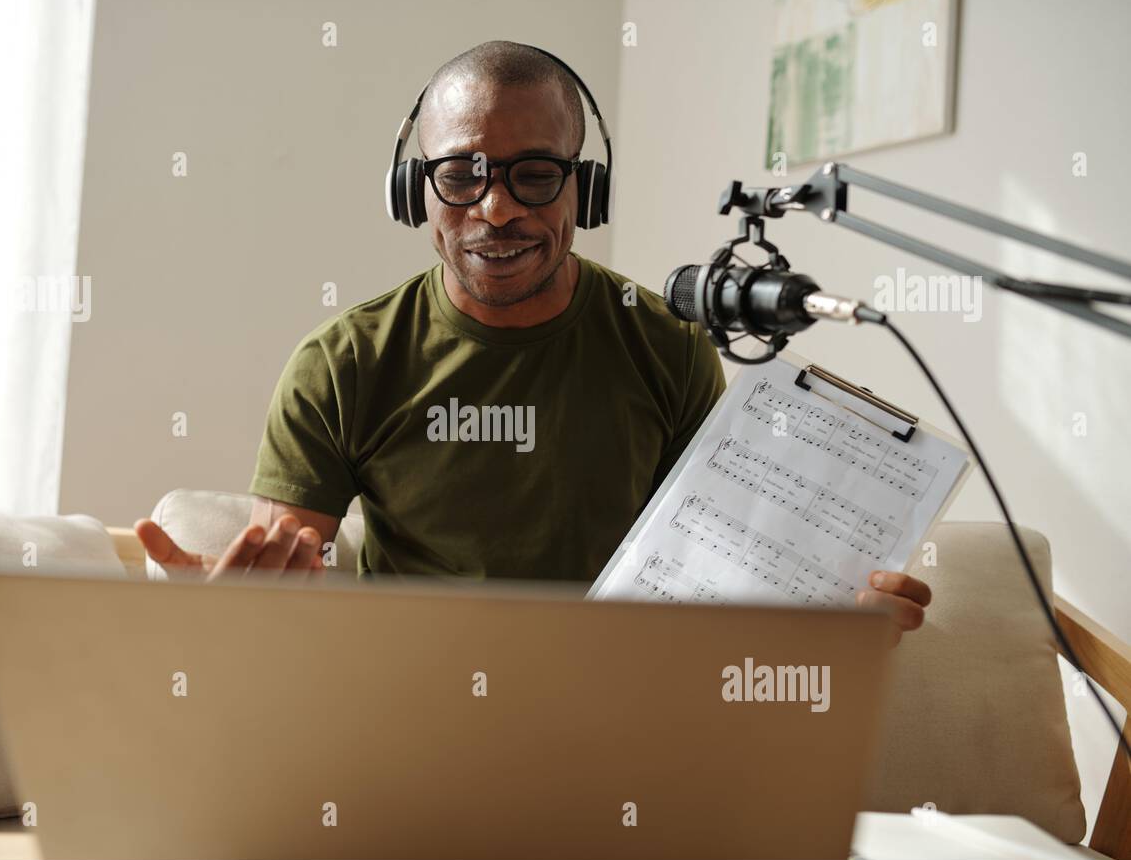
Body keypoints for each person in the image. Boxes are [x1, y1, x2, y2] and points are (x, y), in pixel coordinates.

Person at [135, 41, 931, 634]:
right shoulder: (341, 363)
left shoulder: (667, 344)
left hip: (614, 714)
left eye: (536, 174)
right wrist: (237, 609)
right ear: (416, 191)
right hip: (406, 714)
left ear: (585, 189)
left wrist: (835, 617)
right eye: (461, 174)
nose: (497, 209)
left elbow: (715, 577)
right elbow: (283, 585)